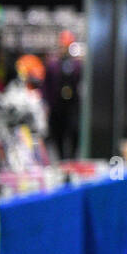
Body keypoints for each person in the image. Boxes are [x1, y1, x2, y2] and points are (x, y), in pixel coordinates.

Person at [43, 31, 82, 160]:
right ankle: (61, 160)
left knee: (74, 133)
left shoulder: (77, 65)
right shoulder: (52, 65)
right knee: (58, 135)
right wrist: (46, 104)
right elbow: (46, 85)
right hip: (57, 106)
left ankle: (72, 159)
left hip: (73, 106)